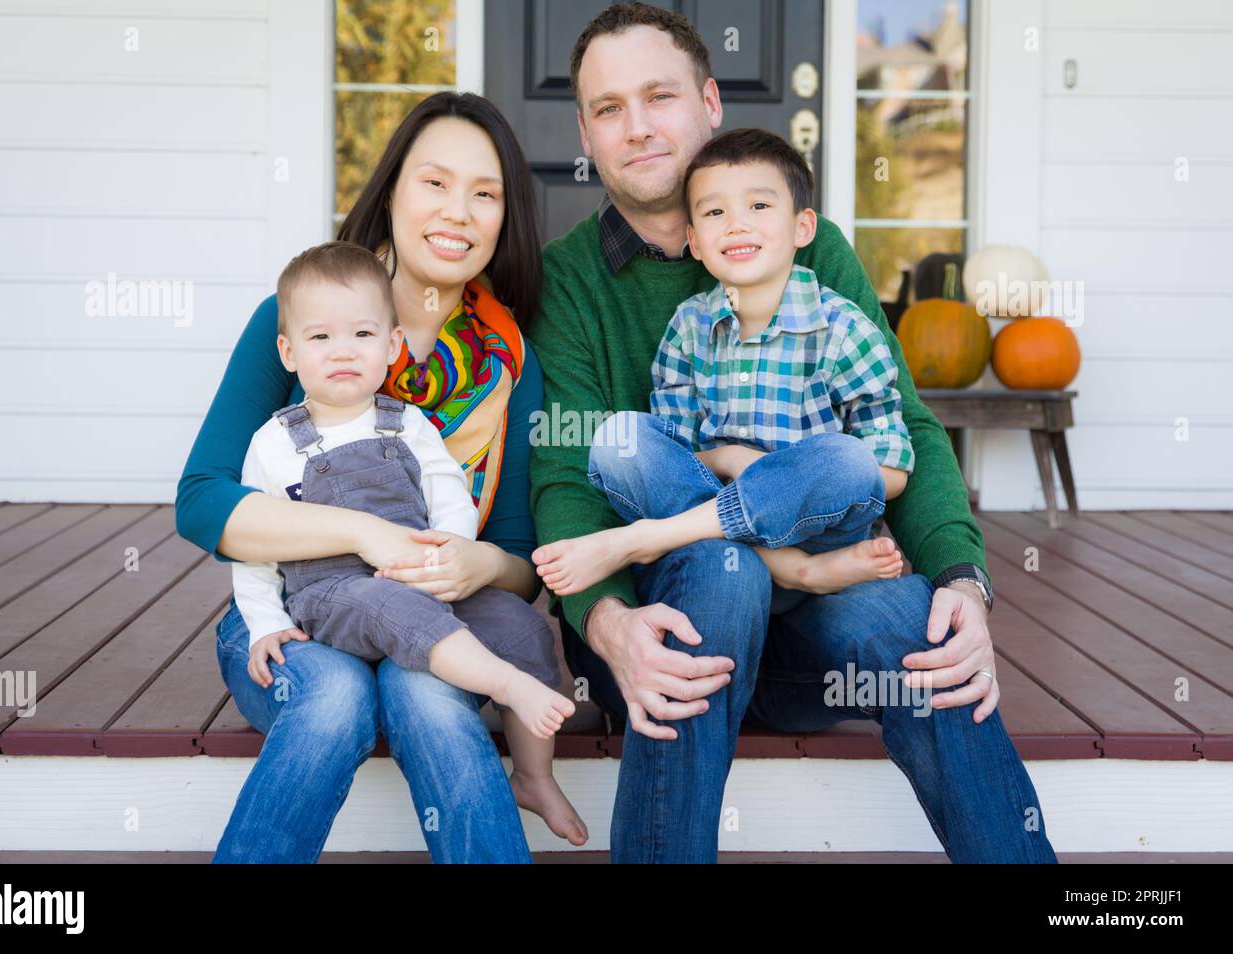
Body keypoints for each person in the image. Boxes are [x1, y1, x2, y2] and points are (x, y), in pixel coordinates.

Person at [526, 2, 1056, 863]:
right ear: (586, 131)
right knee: (710, 556)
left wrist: (963, 578)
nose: (638, 128)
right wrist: (608, 624)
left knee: (915, 618)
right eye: (609, 108)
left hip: (817, 625)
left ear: (709, 102)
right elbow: (563, 474)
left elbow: (901, 428)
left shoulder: (812, 251)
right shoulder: (568, 280)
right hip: (674, 623)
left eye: (658, 96)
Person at [176, 92, 567, 862]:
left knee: (428, 697)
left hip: (435, 623)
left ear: (504, 217)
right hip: (292, 616)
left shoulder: (514, 367)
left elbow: (520, 560)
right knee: (334, 699)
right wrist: (363, 532)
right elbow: (203, 499)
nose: (458, 212)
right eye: (434, 183)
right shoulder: (299, 319)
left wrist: (474, 562)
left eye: (484, 194)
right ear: (391, 191)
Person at [231, 241, 586, 843]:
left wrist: (452, 552)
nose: (343, 351)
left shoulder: (407, 422)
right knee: (388, 604)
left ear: (391, 346)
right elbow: (253, 544)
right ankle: (502, 684)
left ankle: (534, 774)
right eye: (320, 339)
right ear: (288, 353)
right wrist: (265, 622)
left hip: (418, 581)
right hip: (329, 595)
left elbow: (449, 492)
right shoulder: (274, 443)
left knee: (519, 626)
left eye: (362, 334)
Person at [534, 127, 910, 599]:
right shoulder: (689, 327)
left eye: (759, 206)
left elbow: (891, 472)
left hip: (825, 539)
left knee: (847, 458)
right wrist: (732, 459)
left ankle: (641, 541)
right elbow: (678, 465)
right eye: (715, 212)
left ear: (803, 227)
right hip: (725, 551)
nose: (736, 225)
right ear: (694, 239)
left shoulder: (844, 329)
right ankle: (784, 567)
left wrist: (788, 476)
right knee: (621, 439)